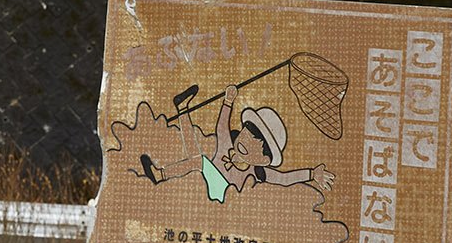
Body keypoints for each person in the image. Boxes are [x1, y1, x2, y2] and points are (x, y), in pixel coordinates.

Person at [136, 84, 333, 201]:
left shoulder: (259, 171)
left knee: (198, 160)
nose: (244, 141)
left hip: (225, 197)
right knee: (197, 159)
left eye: (253, 142)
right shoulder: (227, 146)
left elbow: (284, 178)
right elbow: (222, 126)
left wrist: (311, 174)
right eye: (245, 134)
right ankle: (182, 110)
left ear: (264, 159)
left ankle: (161, 173)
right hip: (210, 184)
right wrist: (228, 101)